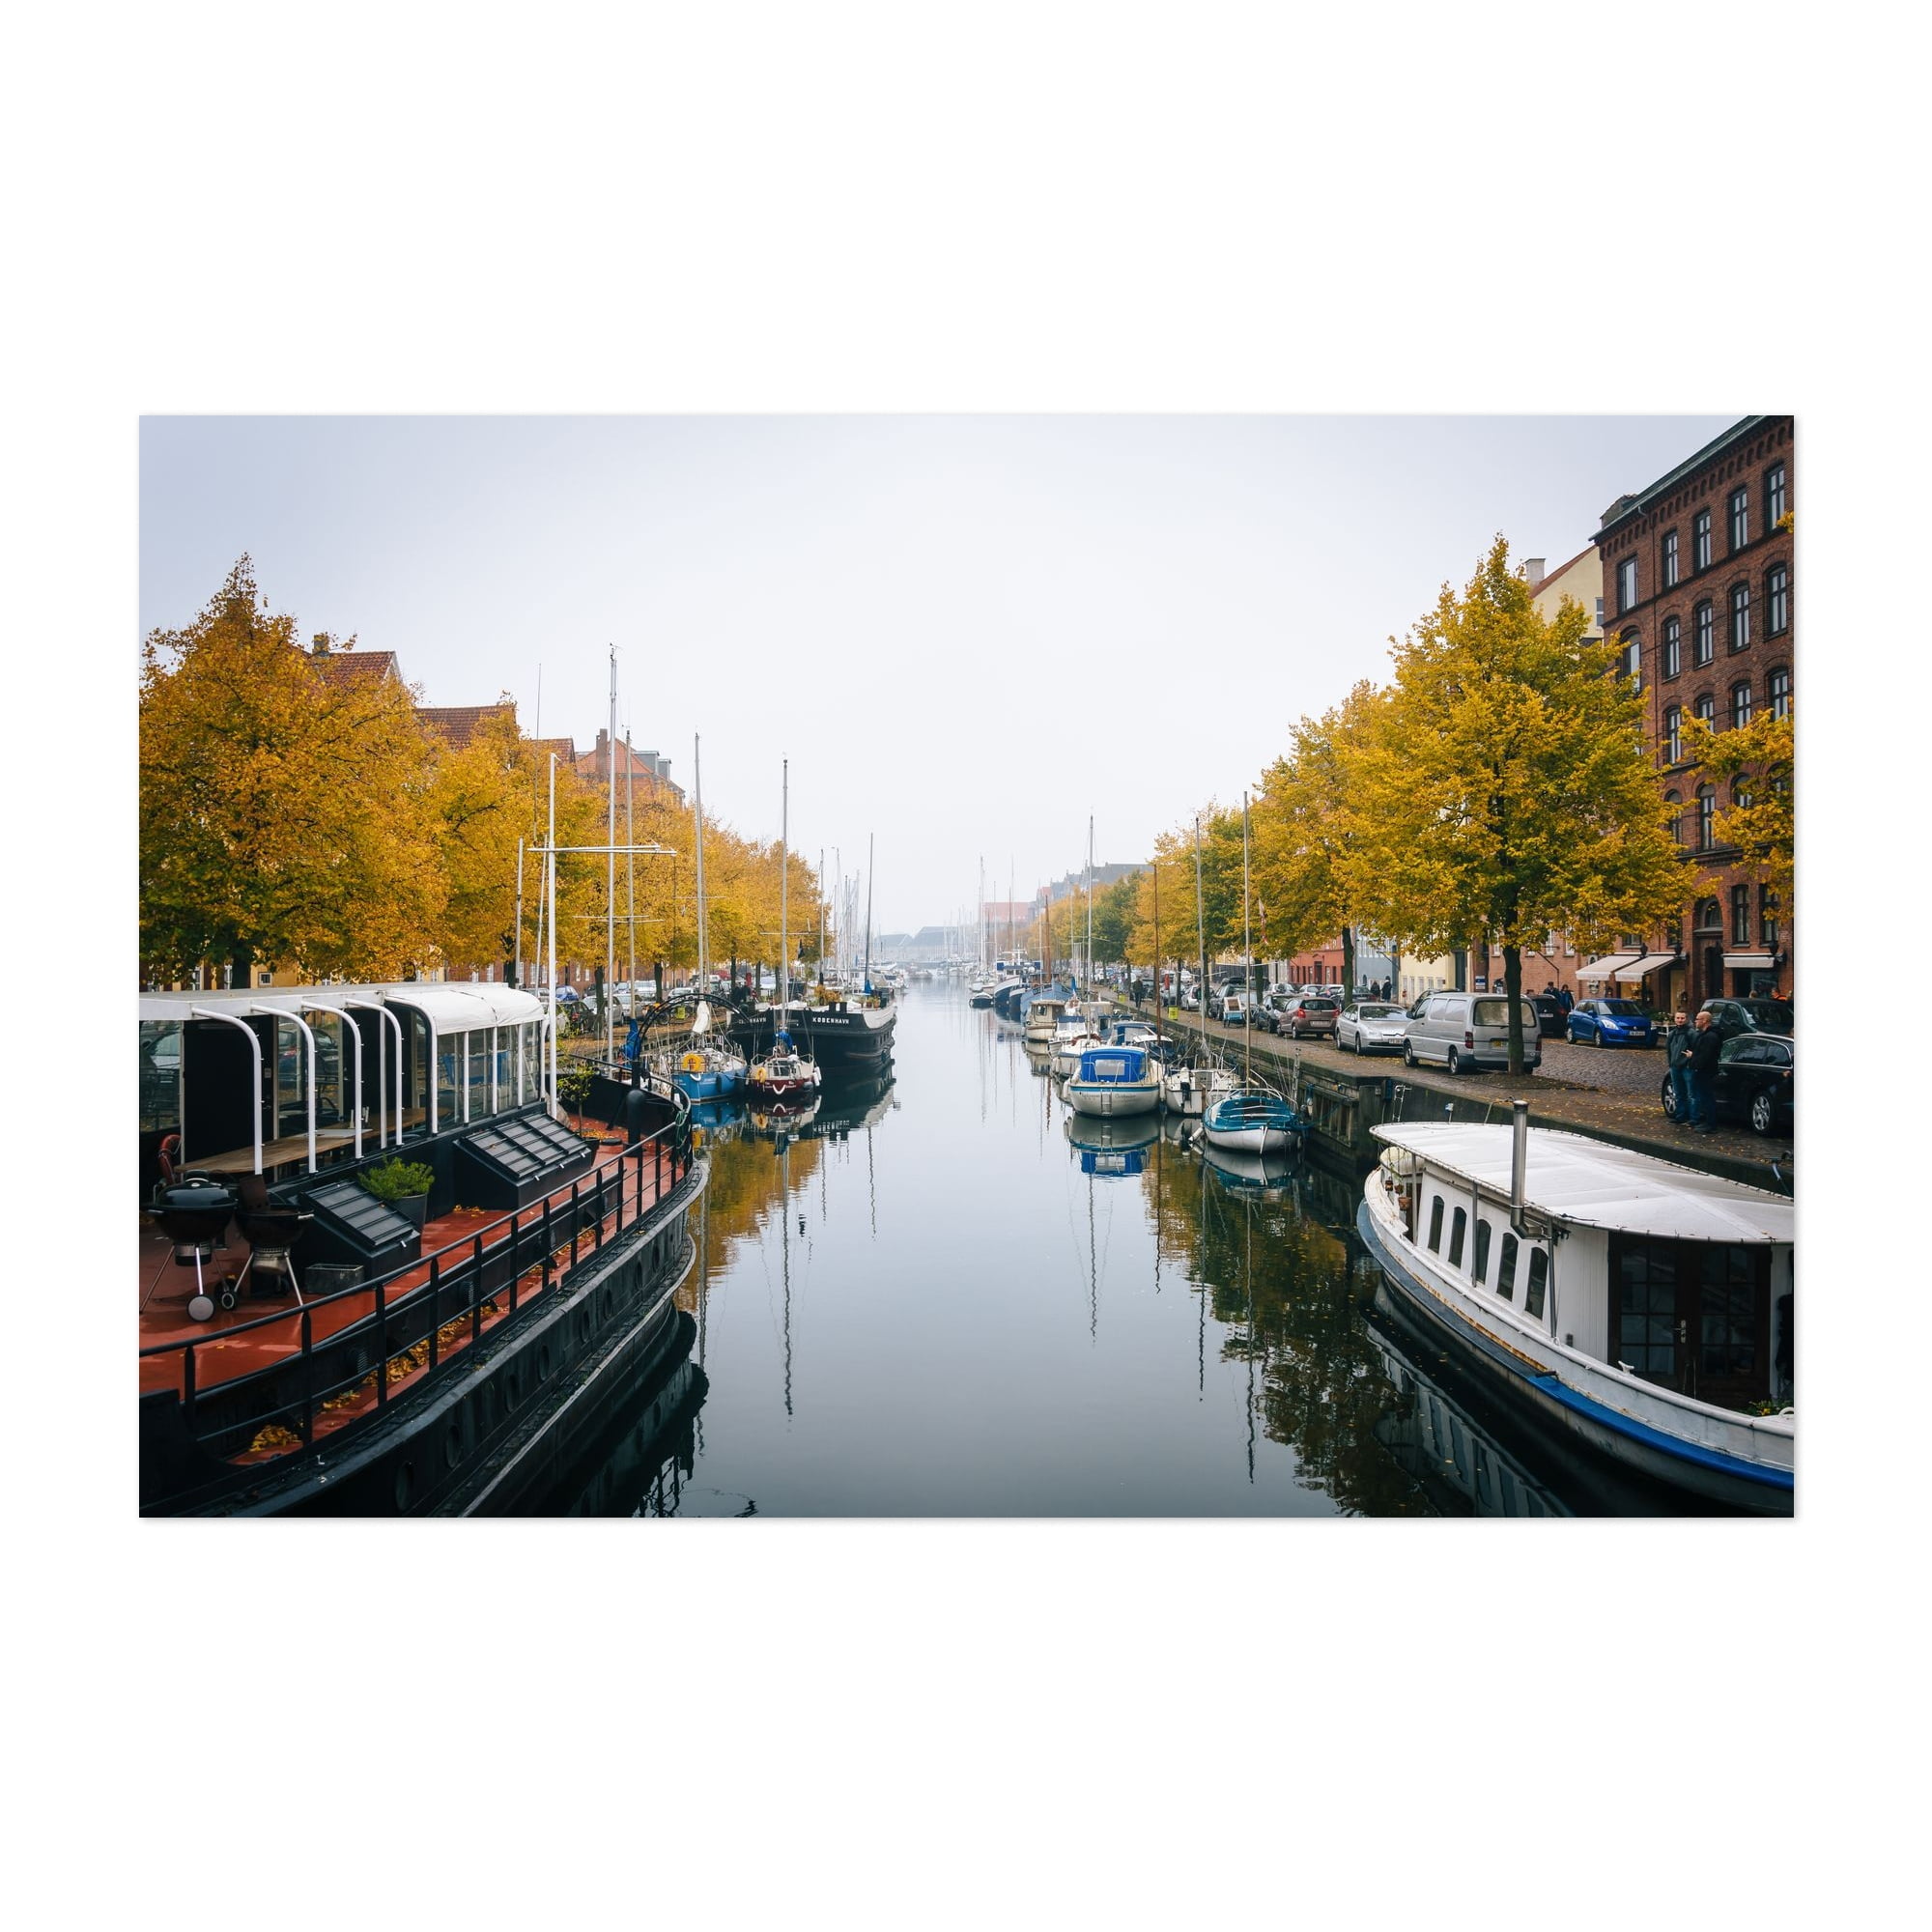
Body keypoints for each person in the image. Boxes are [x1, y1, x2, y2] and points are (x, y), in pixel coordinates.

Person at [1688, 1009, 1723, 1131]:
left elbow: (1705, 1056)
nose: (1695, 1021)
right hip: (1703, 1069)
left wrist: (1695, 1062)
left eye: (1697, 1019)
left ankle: (1711, 1124)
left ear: (1705, 1021)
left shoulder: (1710, 1037)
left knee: (1707, 1097)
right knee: (1704, 1097)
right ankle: (1708, 1122)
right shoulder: (1705, 1035)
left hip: (1705, 1071)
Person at [1664, 1010, 1694, 1124]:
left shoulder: (1691, 1033)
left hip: (1687, 1067)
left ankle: (1693, 1118)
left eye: (1682, 1018)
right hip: (1675, 1067)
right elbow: (1669, 1050)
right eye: (1678, 1018)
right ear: (1675, 1019)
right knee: (1679, 1093)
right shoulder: (1672, 1033)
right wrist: (1671, 1063)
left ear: (1686, 1019)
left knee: (1691, 1094)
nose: (1680, 1020)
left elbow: (1695, 1049)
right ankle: (1680, 1116)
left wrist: (1689, 1061)